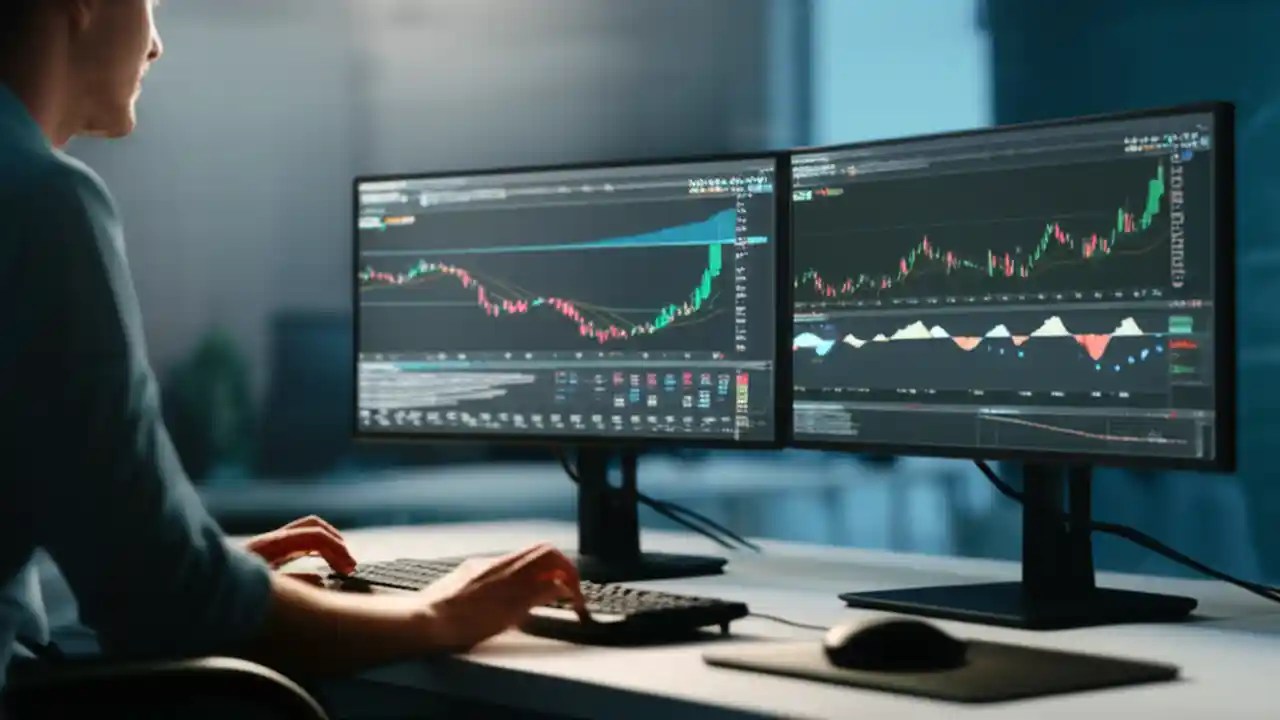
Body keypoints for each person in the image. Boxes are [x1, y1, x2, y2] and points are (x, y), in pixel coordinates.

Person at [0, 0, 588, 697]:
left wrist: (197, 561)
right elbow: (165, 609)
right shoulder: (43, 202)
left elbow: (109, 566)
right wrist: (437, 615)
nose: (155, 43)